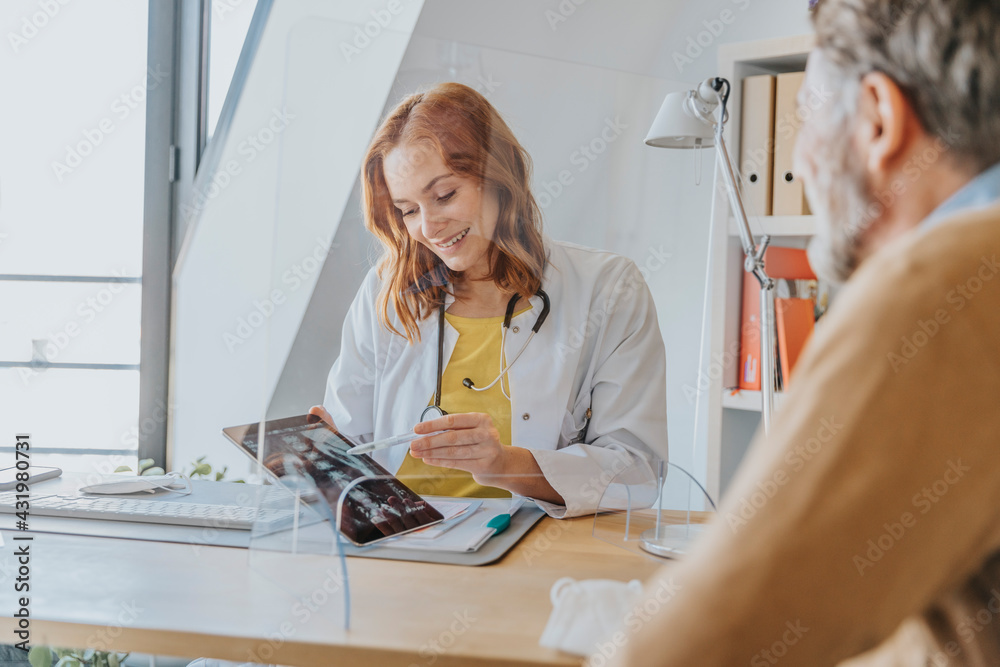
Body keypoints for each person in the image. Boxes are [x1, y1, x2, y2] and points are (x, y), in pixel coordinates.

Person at [608, 0, 1000, 664]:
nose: (798, 158)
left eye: (807, 117)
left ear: (879, 119)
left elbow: (687, 648)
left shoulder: (941, 287)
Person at [311, 82, 667, 518]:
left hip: (527, 545)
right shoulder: (385, 292)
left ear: (499, 176)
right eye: (407, 210)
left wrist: (504, 465)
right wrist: (326, 455)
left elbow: (637, 472)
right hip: (403, 543)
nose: (429, 226)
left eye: (445, 195)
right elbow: (354, 446)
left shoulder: (609, 288)